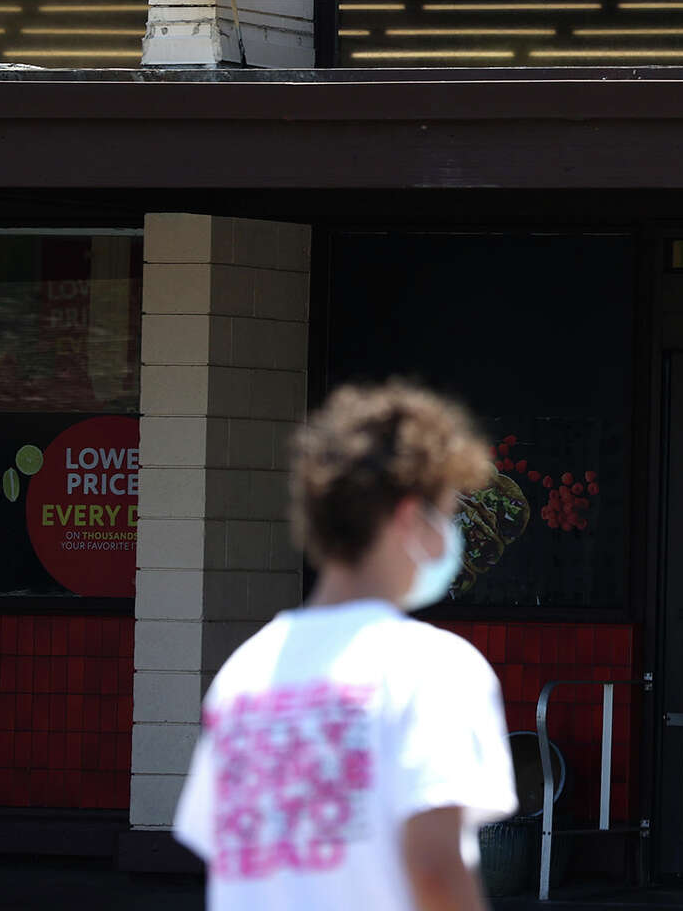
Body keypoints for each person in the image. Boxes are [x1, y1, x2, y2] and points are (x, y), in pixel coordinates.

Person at [173, 380, 517, 911]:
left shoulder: (243, 675)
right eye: (447, 515)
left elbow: (224, 849)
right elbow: (433, 870)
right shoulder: (434, 668)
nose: (452, 537)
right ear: (409, 516)